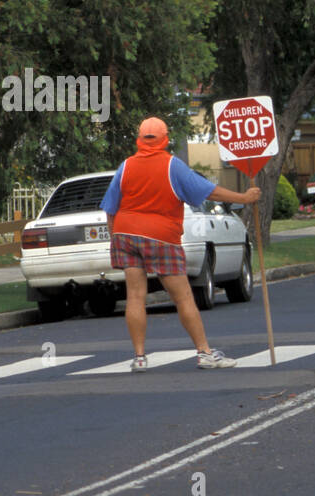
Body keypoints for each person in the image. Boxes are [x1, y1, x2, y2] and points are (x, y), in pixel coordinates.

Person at [100, 117, 262, 372]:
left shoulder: (125, 167)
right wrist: (244, 197)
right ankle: (204, 353)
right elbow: (210, 192)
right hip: (162, 237)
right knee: (184, 296)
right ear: (165, 139)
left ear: (139, 139)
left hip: (125, 234)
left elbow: (110, 208)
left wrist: (115, 240)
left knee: (135, 296)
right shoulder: (172, 166)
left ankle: (140, 358)